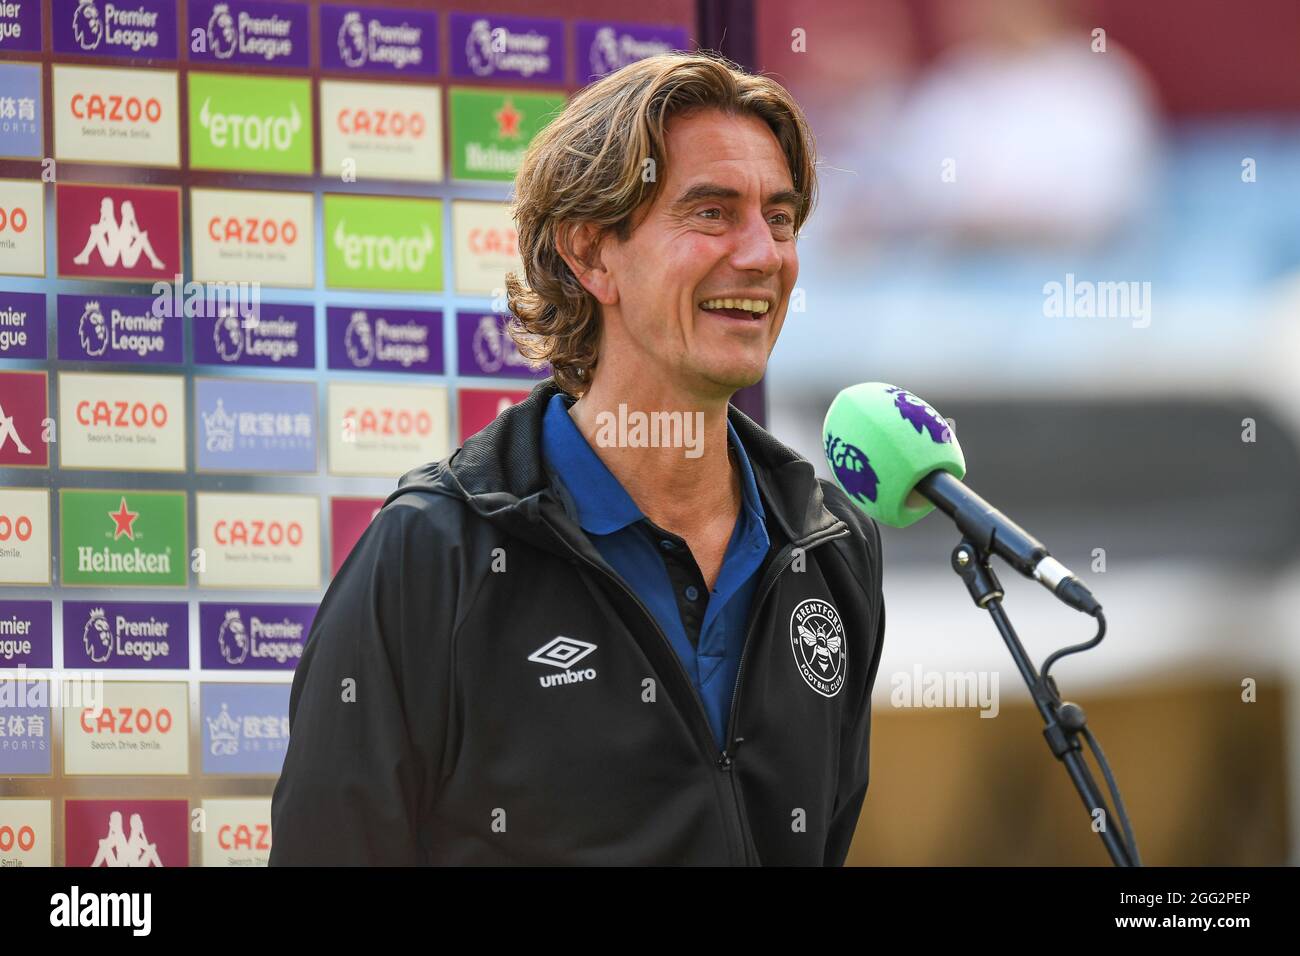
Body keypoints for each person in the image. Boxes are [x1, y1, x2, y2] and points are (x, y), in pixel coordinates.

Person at [270, 51, 885, 866]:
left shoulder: (831, 547)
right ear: (590, 254)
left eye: (778, 217)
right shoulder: (433, 555)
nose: (764, 254)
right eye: (711, 212)